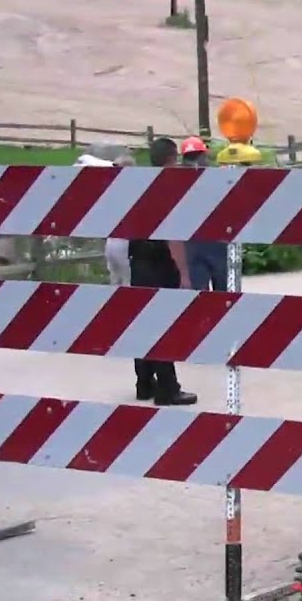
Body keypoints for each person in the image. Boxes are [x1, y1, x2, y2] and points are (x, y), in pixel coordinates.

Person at [130, 137, 196, 406]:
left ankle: (144, 383)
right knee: (162, 326)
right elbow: (173, 235)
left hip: (138, 260)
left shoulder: (138, 187)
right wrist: (184, 273)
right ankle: (168, 388)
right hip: (161, 261)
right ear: (172, 158)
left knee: (143, 323)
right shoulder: (169, 190)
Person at [75, 151, 135, 285]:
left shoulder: (109, 190)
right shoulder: (130, 190)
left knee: (114, 279)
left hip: (111, 243)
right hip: (124, 243)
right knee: (128, 281)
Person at [179, 136, 226, 291]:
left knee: (205, 293)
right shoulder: (218, 176)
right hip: (209, 242)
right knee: (220, 292)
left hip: (199, 243)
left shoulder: (177, 178)